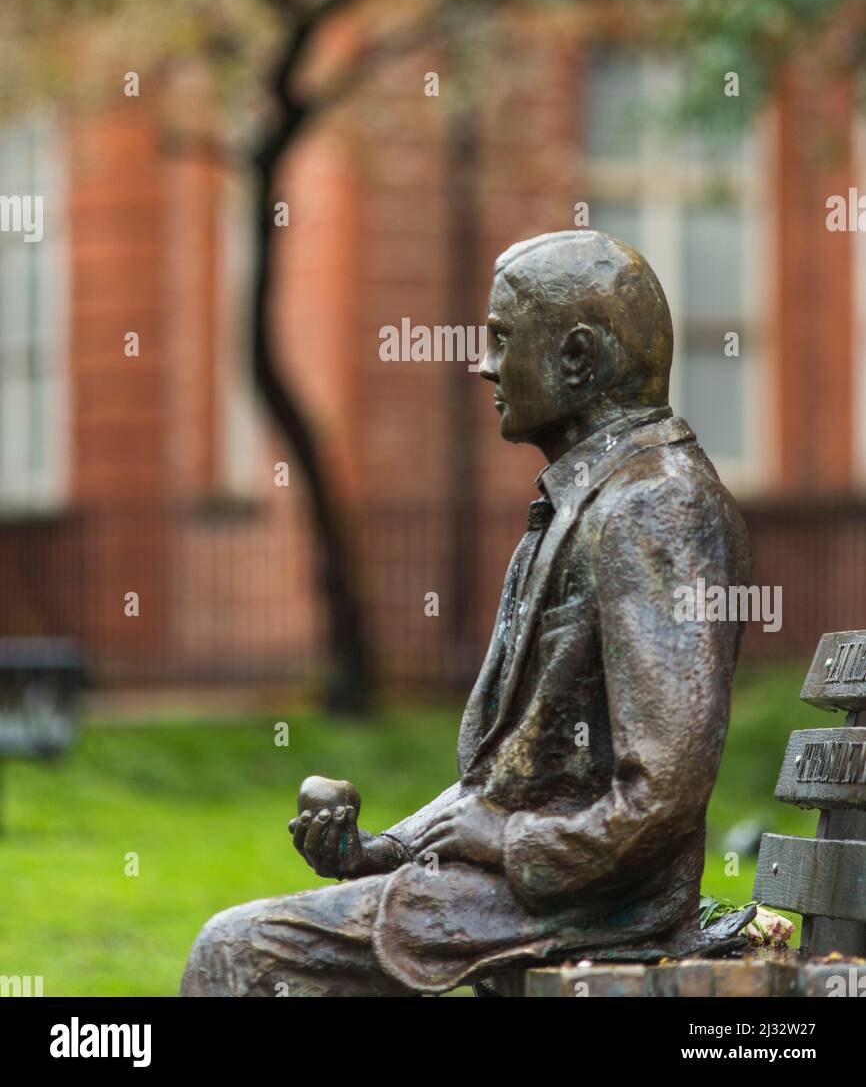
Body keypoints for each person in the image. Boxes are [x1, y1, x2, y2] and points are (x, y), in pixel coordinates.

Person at [181, 229, 751, 997]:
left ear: (578, 360)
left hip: (604, 905)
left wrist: (507, 840)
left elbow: (661, 801)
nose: (482, 366)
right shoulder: (585, 501)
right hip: (539, 891)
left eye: (501, 340)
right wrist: (385, 850)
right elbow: (506, 775)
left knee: (239, 953)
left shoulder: (658, 504)